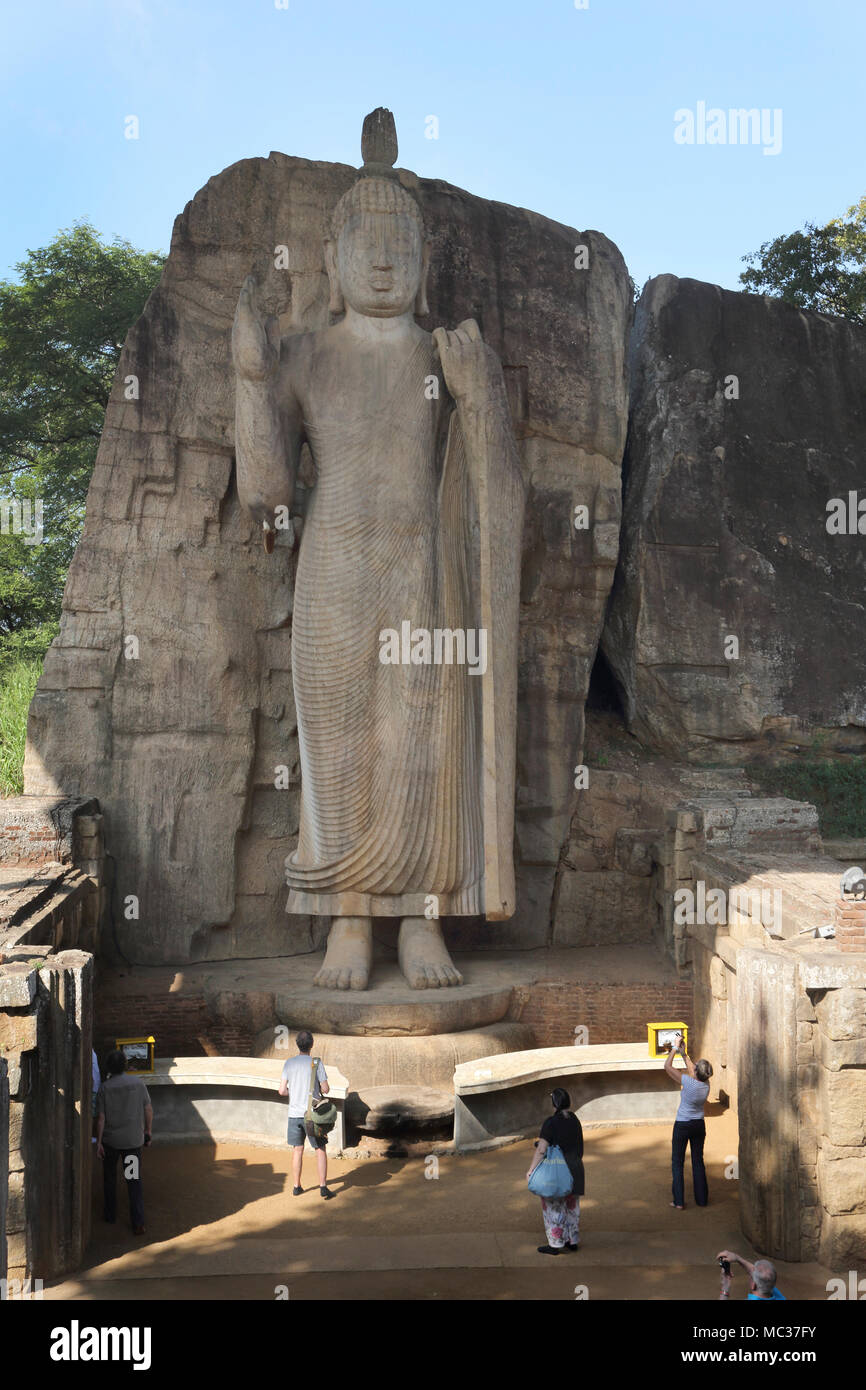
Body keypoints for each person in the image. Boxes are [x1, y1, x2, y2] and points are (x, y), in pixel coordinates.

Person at [96, 1050, 152, 1235]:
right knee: (133, 1180)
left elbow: (101, 1118)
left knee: (110, 1178)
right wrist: (147, 1132)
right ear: (125, 1065)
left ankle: (110, 1215)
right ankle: (138, 1222)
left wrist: (99, 1143)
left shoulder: (105, 1088)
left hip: (111, 1142)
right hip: (131, 1143)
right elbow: (148, 1109)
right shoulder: (138, 1084)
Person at [526, 1087, 584, 1256]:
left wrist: (531, 1170)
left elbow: (542, 1149)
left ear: (554, 1104)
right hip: (576, 1167)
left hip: (557, 1170)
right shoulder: (575, 1119)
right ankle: (572, 1240)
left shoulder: (550, 1122)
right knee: (572, 1206)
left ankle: (555, 1244)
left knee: (554, 1207)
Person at [279, 1029, 334, 1199]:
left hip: (294, 1114)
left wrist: (294, 1092)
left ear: (297, 1045)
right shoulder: (316, 1063)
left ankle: (296, 1186)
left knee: (297, 1150)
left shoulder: (288, 1063)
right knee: (320, 1149)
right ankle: (323, 1187)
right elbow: (325, 1088)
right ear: (312, 1045)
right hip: (312, 1115)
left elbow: (282, 1091)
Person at [664, 1033, 712, 1209]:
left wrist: (675, 1048)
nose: (694, 1066)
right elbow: (693, 1069)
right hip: (698, 1124)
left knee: (677, 1162)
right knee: (698, 1161)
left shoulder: (688, 1082)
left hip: (683, 1124)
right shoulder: (706, 1085)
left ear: (696, 1072)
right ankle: (702, 1200)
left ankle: (678, 1201)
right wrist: (684, 1054)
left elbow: (667, 1066)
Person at [717, 1250, 786, 1300]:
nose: (750, 1273)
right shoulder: (779, 1296)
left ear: (753, 1284)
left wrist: (725, 1288)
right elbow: (762, 1274)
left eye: (751, 1276)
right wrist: (737, 1258)